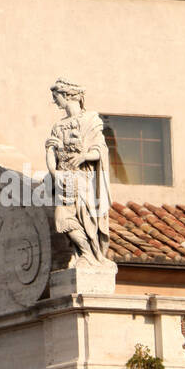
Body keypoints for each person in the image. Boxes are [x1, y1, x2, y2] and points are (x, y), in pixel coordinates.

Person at [45, 79, 112, 264]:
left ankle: (94, 255)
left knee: (88, 219)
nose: (55, 101)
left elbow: (101, 149)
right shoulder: (58, 126)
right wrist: (54, 172)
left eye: (56, 97)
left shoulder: (90, 119)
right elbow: (50, 151)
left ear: (67, 95)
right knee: (62, 218)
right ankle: (86, 254)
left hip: (85, 178)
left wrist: (84, 156)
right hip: (64, 178)